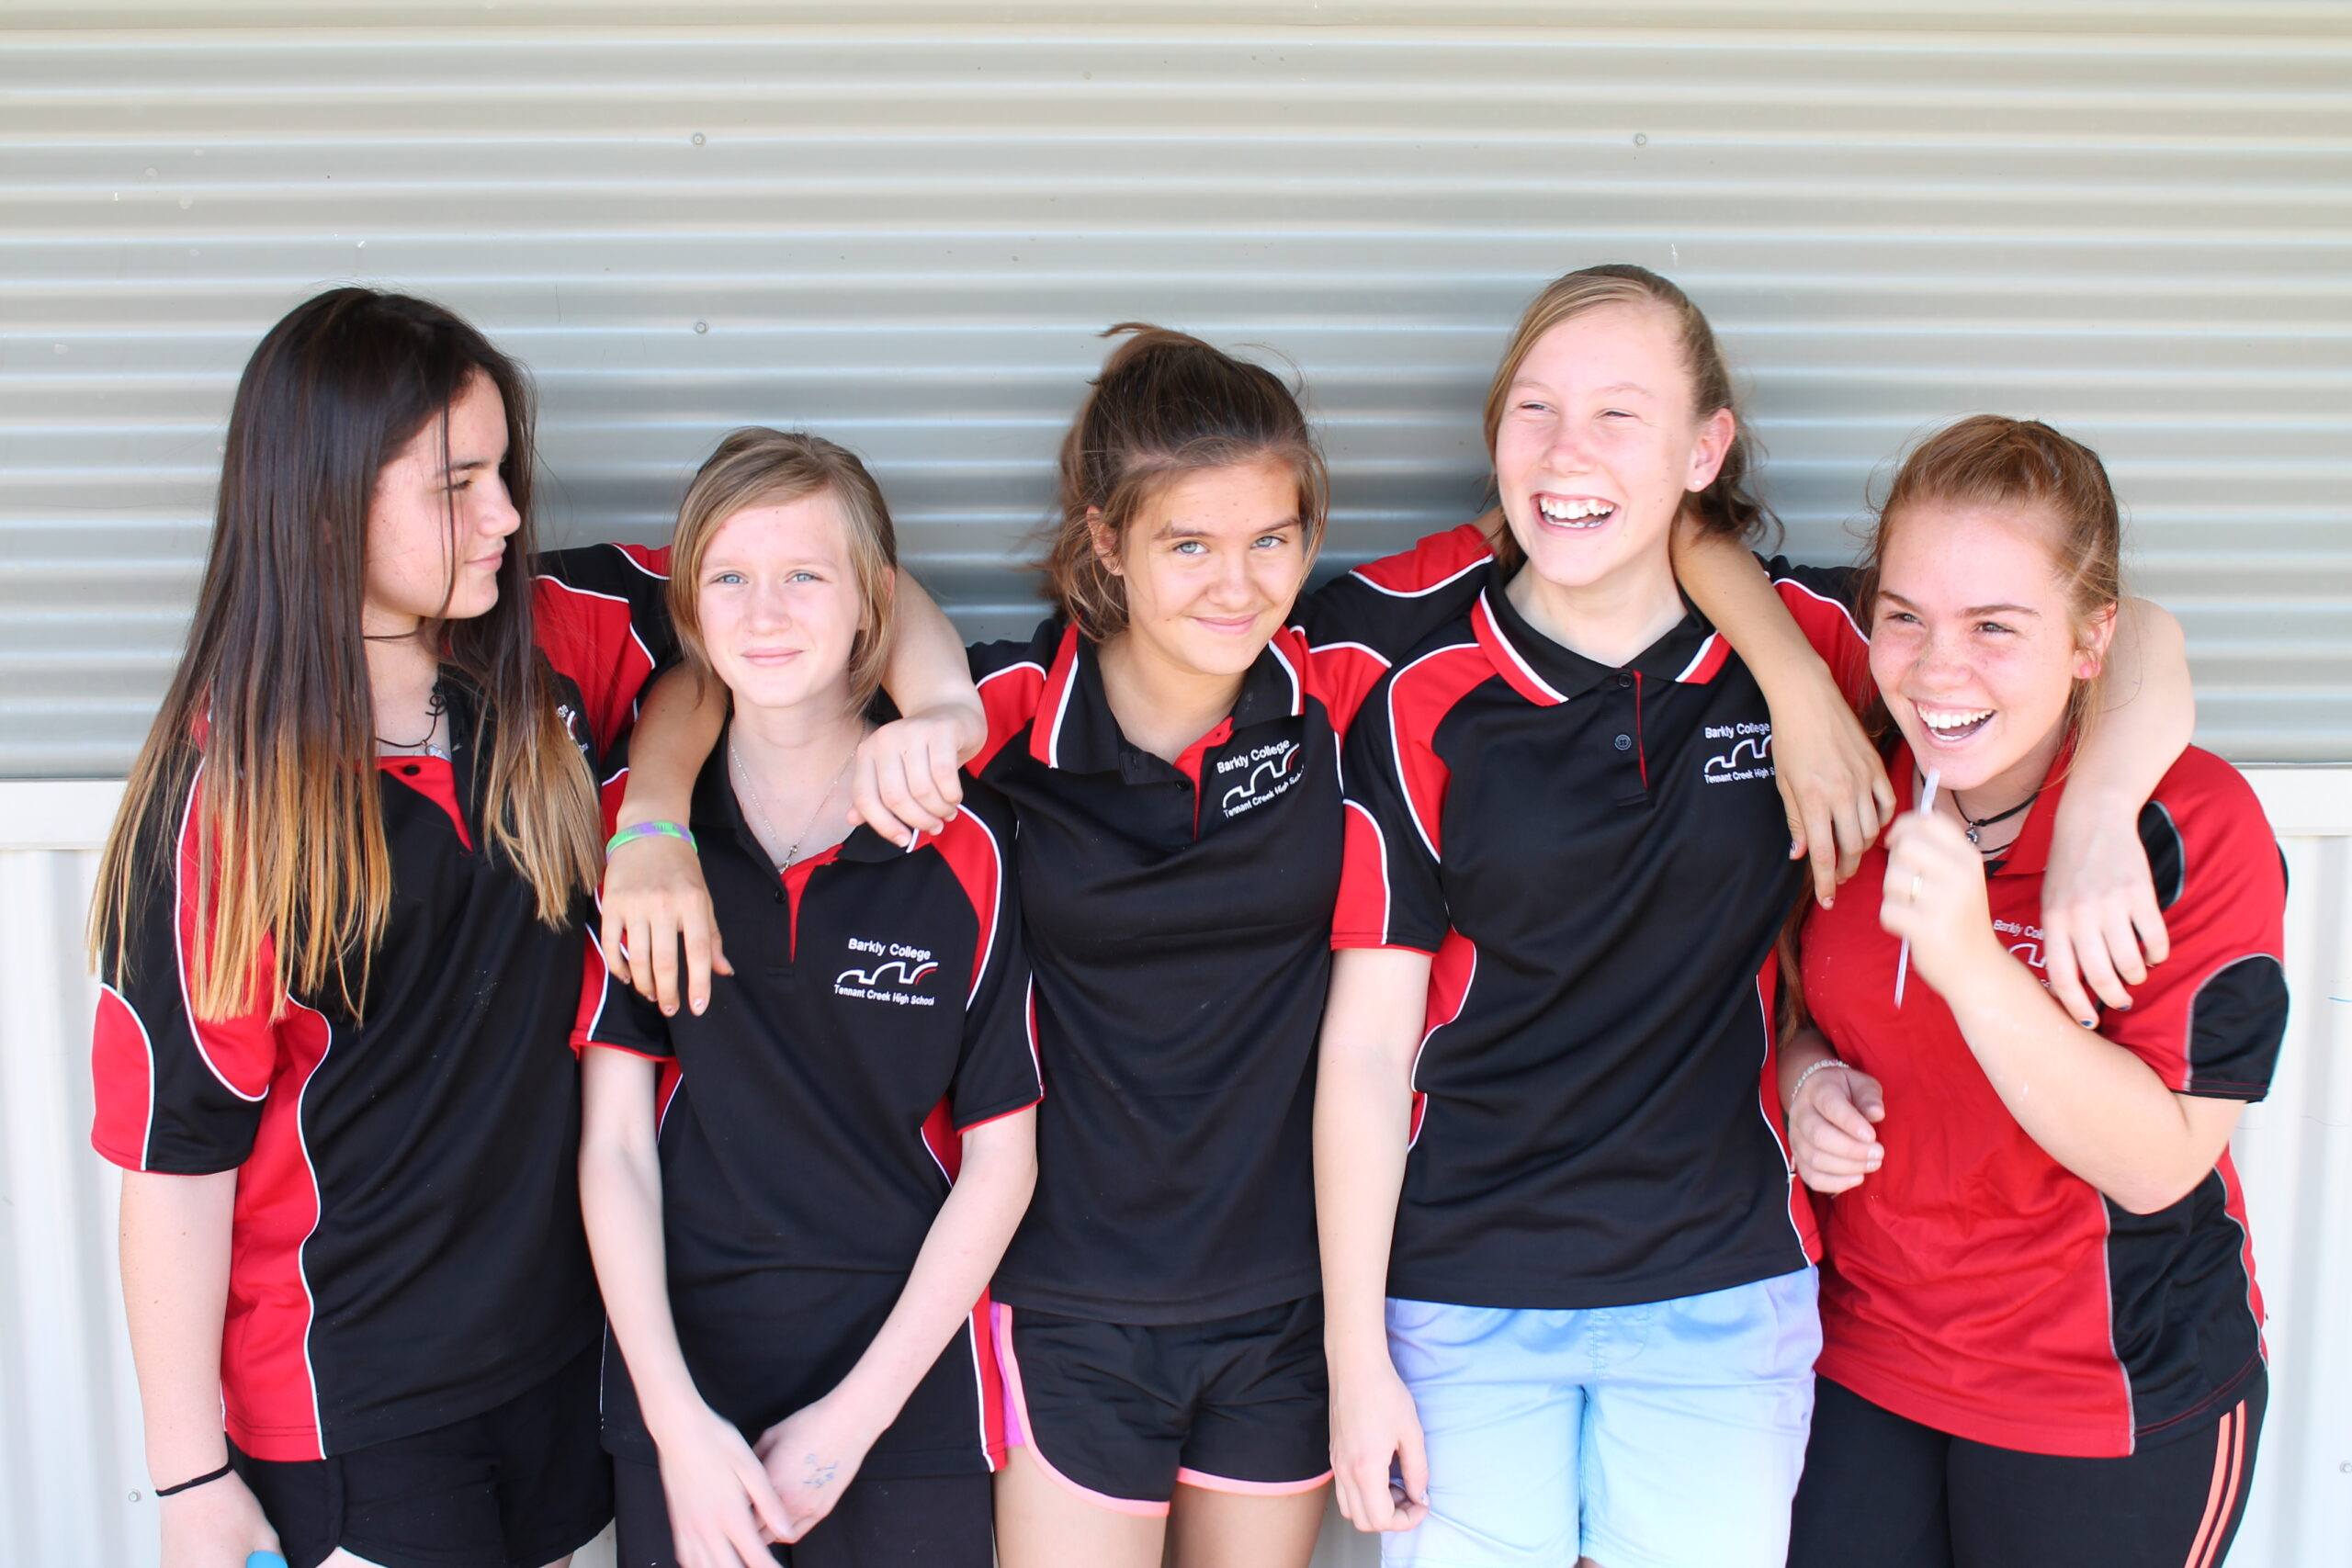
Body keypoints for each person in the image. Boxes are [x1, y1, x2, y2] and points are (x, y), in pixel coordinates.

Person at [596, 321, 1911, 1568]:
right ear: (1106, 541)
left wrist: (1797, 684)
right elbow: (762, 631)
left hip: (1287, 1306)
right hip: (1073, 1301)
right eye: (1186, 544)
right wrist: (662, 811)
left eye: (1272, 538)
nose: (1236, 583)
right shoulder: (1005, 713)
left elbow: (1617, 530)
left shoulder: (1340, 672)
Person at [1314, 265, 2197, 1568]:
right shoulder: (1414, 677)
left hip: (1722, 1292)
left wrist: (2099, 812)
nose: (1568, 450)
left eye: (1622, 414)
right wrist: (1353, 1359)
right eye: (1536, 409)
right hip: (1466, 1290)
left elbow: (2134, 635)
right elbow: (1369, 1052)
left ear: (1704, 445)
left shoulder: (1824, 637)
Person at [88, 288, 633, 1568]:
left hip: (564, 1370)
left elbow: (796, 577)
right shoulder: (227, 802)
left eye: (503, 470)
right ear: (328, 500)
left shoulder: (544, 646)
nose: (505, 513)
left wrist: (653, 811)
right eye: (458, 482)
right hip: (356, 1417)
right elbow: (174, 1164)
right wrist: (189, 1478)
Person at [1780, 416, 2284, 1568]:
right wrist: (1806, 1080)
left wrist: (1973, 959)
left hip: (2106, 1395)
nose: (1937, 666)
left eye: (1995, 629)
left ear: (2086, 642)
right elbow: (1804, 1009)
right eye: (1904, 615)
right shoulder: (1857, 769)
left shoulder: (2186, 827)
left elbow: (2163, 1160)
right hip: (1869, 1361)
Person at [574, 428, 1042, 1568]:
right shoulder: (645, 839)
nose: (765, 612)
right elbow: (617, 1151)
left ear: (873, 602)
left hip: (904, 1394)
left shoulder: (966, 842)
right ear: (689, 602)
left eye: (804, 576)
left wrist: (851, 1424)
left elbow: (1002, 1162)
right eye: (728, 577)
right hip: (686, 1388)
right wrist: (675, 1422)